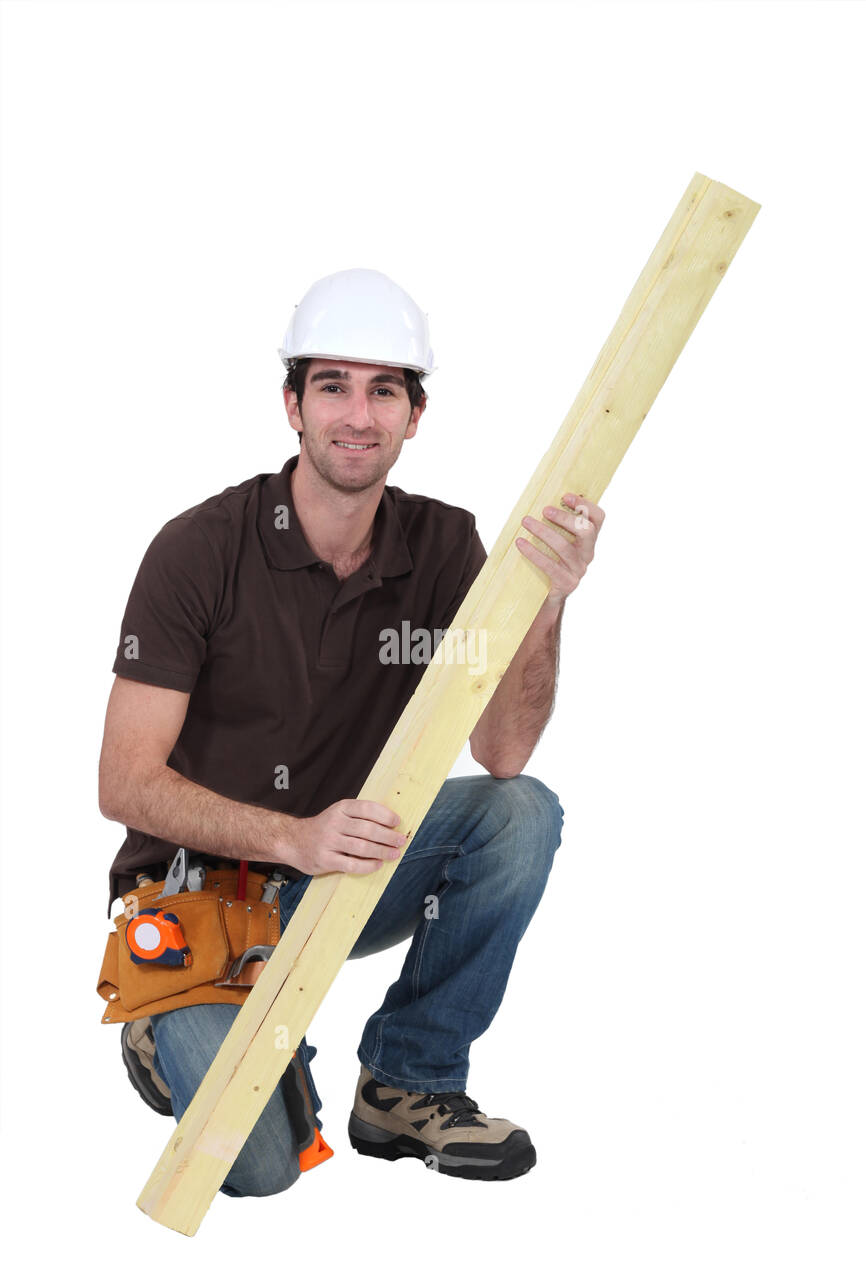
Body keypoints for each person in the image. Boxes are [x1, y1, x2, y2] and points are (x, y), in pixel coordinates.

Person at [98, 267, 604, 1194]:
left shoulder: (445, 546)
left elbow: (503, 754)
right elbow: (124, 782)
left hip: (348, 873)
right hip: (207, 898)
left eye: (384, 390)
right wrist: (291, 834)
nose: (357, 415)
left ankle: (407, 1082)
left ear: (416, 416)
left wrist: (545, 604)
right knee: (257, 1169)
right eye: (332, 385)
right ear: (292, 404)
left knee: (519, 812)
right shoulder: (199, 549)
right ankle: (169, 1028)